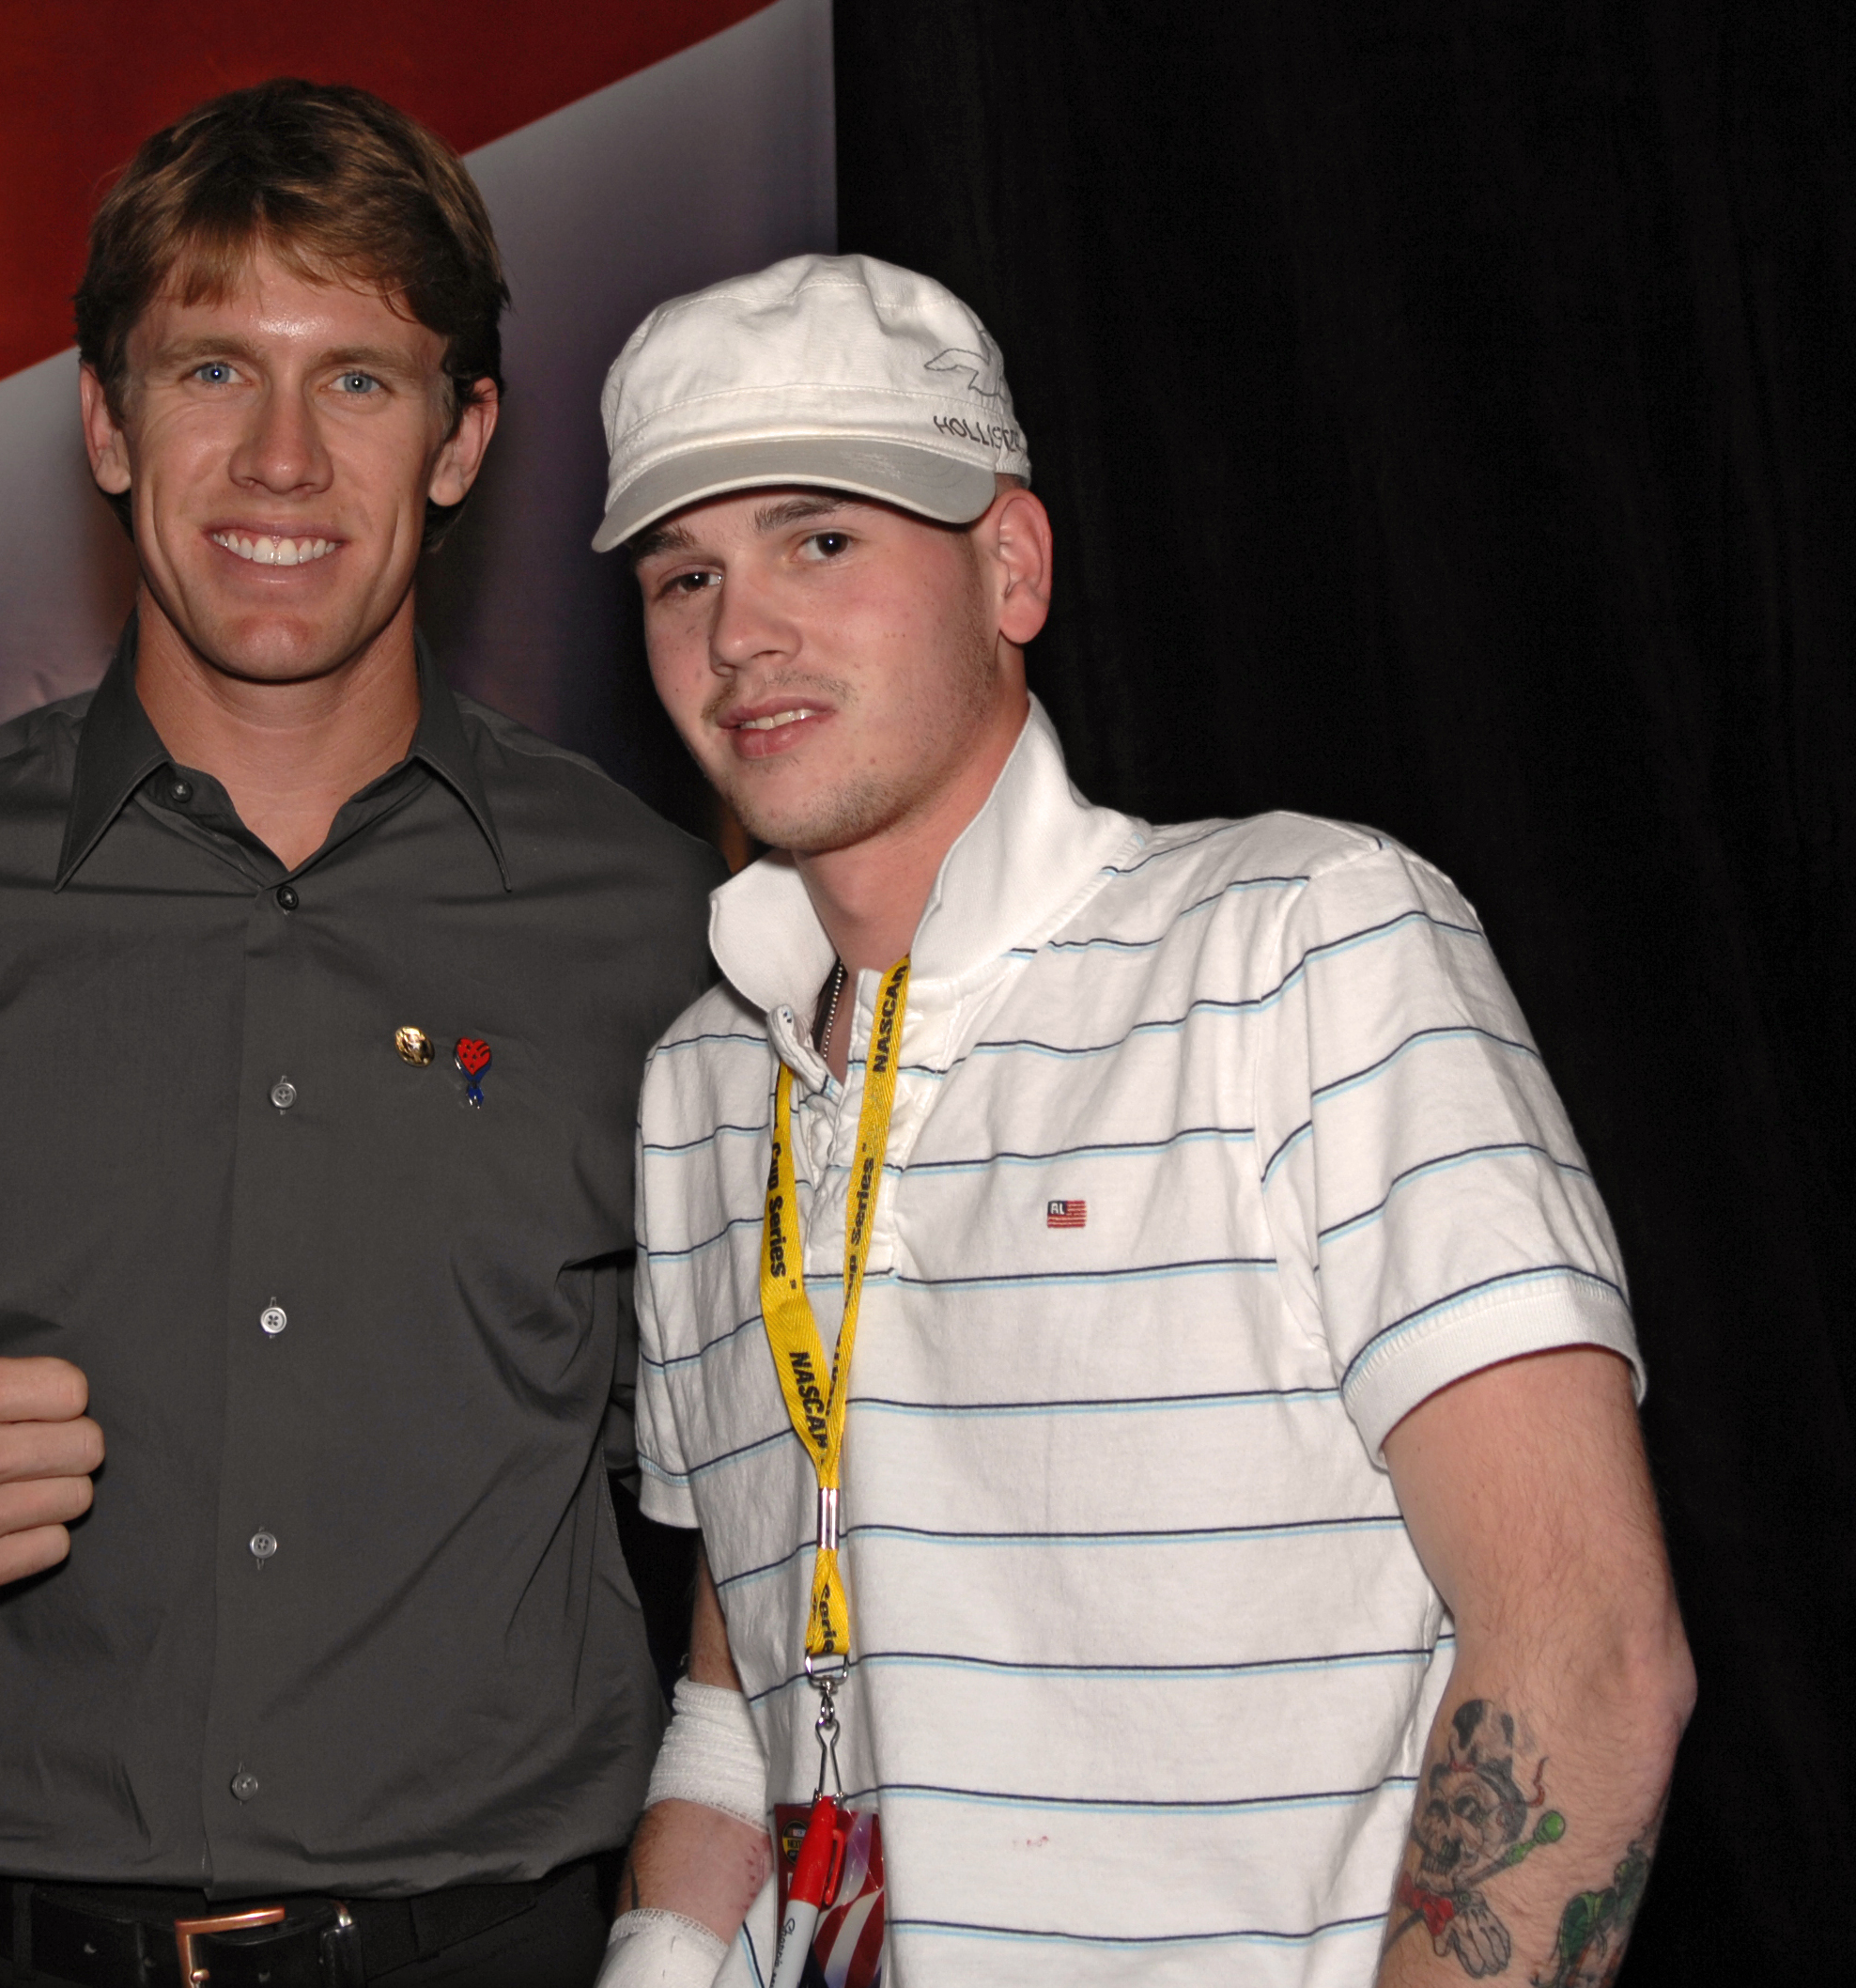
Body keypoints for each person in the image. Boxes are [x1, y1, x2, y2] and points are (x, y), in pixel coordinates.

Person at [0, 81, 724, 1988]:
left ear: (463, 439)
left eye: (358, 380)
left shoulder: (659, 934)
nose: (279, 457)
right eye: (209, 371)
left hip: (494, 1948)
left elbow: (790, 1486)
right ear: (107, 419)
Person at [589, 255, 1694, 1987]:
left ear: (1008, 566)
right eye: (682, 574)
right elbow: (748, 1681)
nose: (740, 633)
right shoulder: (698, 1085)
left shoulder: (1302, 941)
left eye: (821, 541)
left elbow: (1584, 1651)